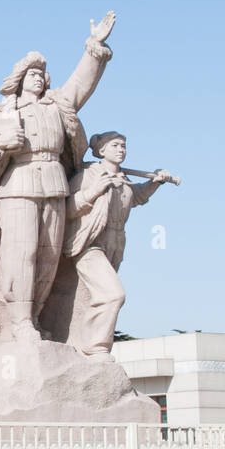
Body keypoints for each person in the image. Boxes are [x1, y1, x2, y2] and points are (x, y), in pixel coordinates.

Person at [0, 12, 116, 340]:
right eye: (31, 73)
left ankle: (33, 317)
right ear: (19, 79)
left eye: (41, 73)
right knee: (23, 252)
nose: (38, 77)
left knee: (48, 253)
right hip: (18, 186)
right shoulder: (5, 113)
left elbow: (81, 83)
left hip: (54, 184)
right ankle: (18, 320)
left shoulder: (58, 105)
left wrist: (94, 46)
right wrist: (0, 143)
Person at [62, 132, 172, 360]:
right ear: (101, 150)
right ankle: (97, 347)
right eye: (115, 145)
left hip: (116, 241)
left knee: (91, 298)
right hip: (90, 243)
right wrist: (94, 190)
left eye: (124, 146)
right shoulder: (89, 174)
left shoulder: (123, 180)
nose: (121, 149)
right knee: (113, 294)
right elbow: (68, 208)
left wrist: (155, 184)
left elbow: (137, 198)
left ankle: (79, 346)